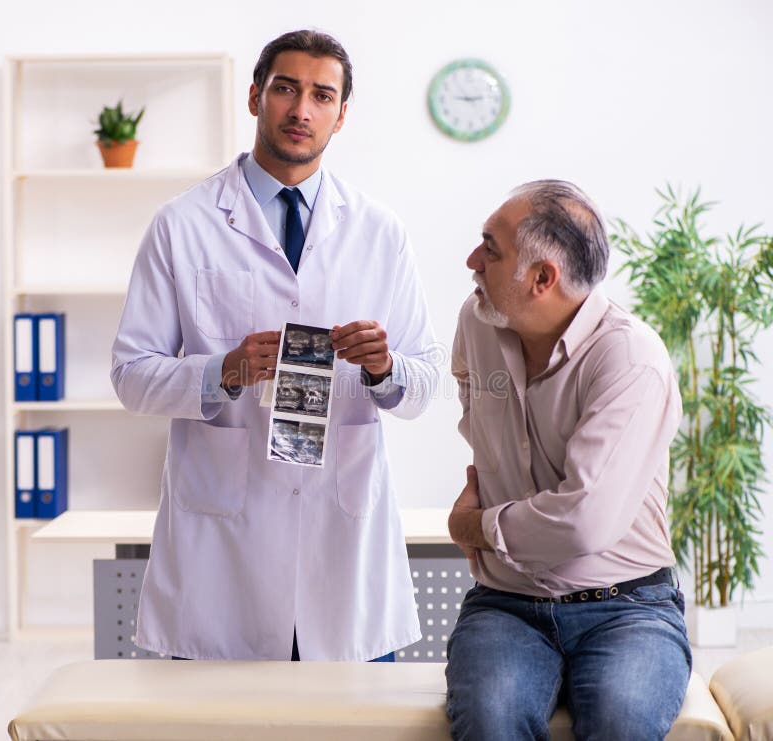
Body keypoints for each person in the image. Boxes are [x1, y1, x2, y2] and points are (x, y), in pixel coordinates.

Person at [110, 30, 437, 662]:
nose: (301, 110)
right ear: (256, 96)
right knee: (218, 713)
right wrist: (223, 371)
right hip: (221, 559)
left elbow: (423, 384)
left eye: (322, 96)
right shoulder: (183, 224)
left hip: (343, 556)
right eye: (286, 89)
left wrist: (385, 368)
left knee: (354, 712)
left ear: (342, 115)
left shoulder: (379, 231)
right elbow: (131, 375)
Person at [445, 180, 691, 740]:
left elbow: (584, 521)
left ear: (542, 278)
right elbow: (470, 401)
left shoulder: (630, 358)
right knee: (490, 719)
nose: (472, 261)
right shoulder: (477, 321)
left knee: (621, 722)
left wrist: (475, 526)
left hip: (629, 607)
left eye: (490, 249)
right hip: (507, 604)